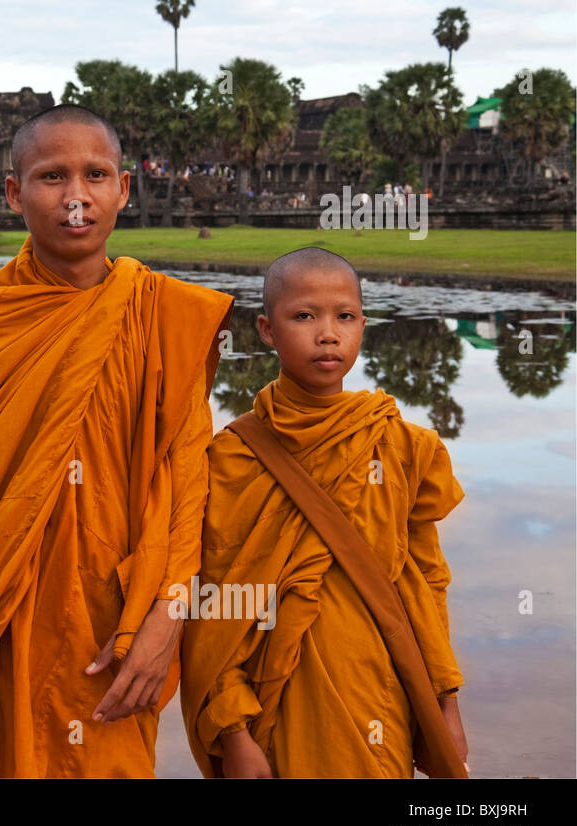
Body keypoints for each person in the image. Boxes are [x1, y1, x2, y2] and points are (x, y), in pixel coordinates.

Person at [0, 105, 234, 778]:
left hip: (112, 633)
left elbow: (188, 482)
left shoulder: (162, 313)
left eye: (95, 175)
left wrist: (166, 618)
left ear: (123, 189)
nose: (76, 196)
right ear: (15, 193)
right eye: (52, 177)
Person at [180, 246, 468, 778]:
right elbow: (215, 601)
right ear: (267, 330)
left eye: (345, 316)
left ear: (363, 324)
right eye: (304, 316)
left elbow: (426, 582)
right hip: (279, 702)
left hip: (379, 692)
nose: (328, 333)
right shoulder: (231, 457)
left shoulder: (401, 446)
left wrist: (444, 703)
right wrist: (232, 728)